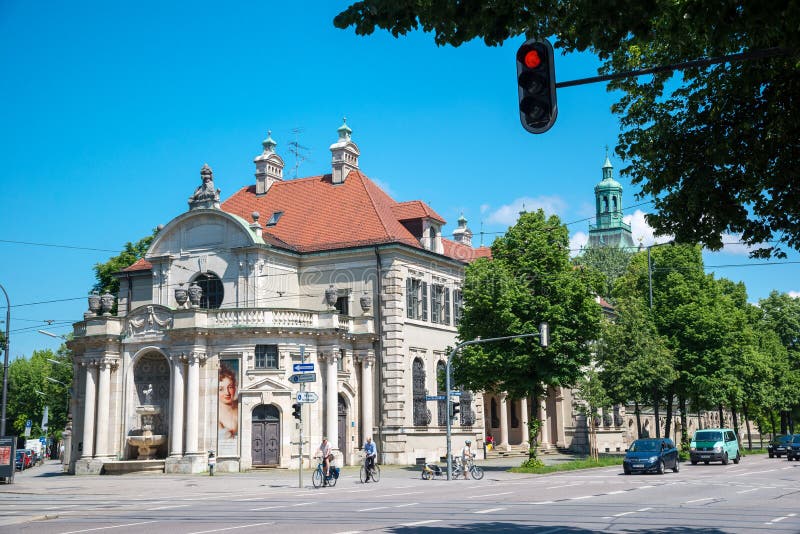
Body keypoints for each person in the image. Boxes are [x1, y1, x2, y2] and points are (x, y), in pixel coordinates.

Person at [218, 365, 239, 440]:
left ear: (235, 387)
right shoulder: (215, 417)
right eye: (221, 389)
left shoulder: (240, 406)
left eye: (230, 387)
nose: (227, 393)